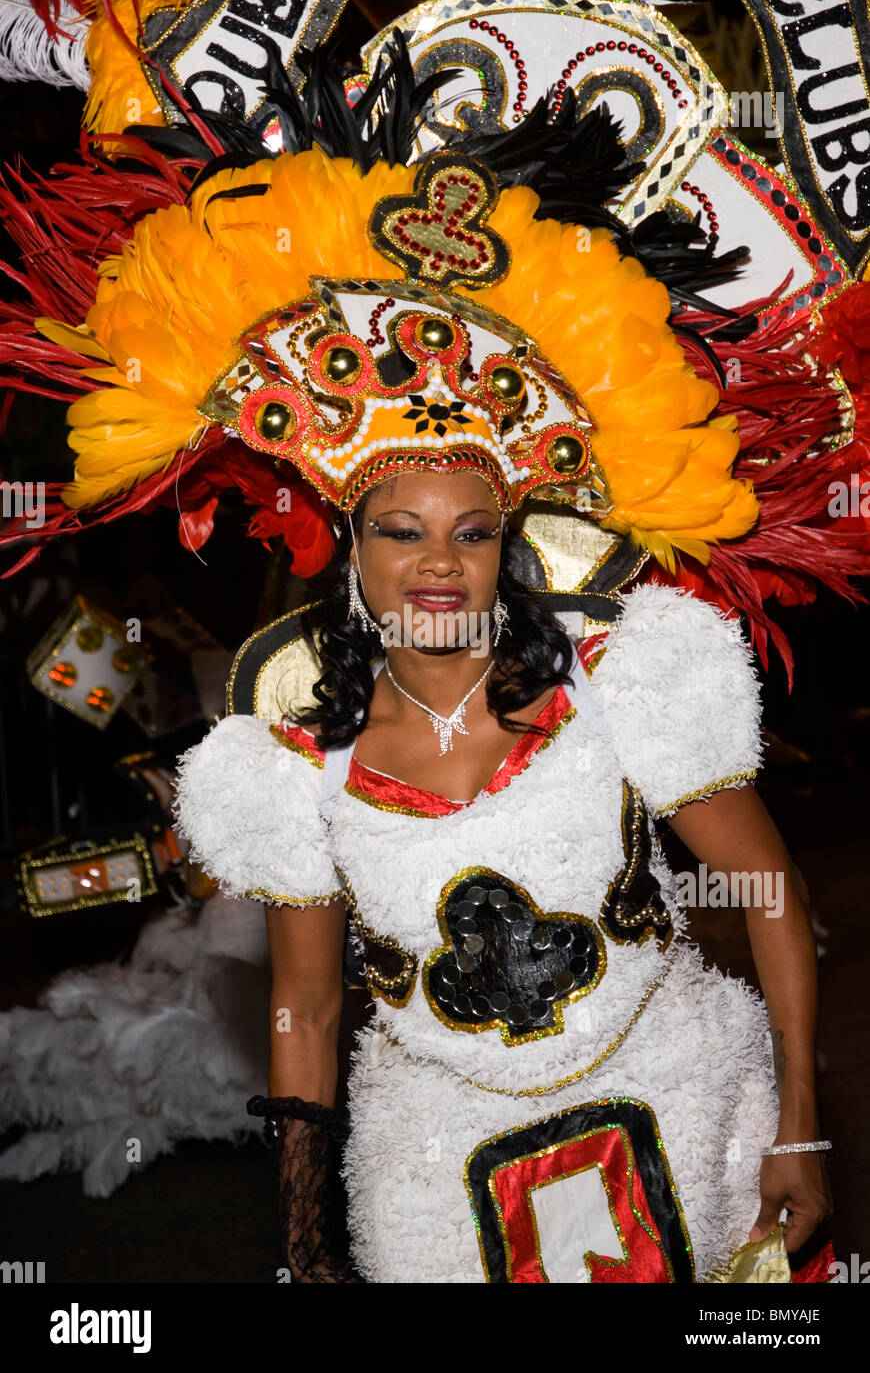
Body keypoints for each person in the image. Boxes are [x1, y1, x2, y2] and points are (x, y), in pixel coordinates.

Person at [174, 455, 832, 1284]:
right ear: (353, 548)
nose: (440, 561)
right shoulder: (299, 770)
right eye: (402, 532)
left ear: (504, 551)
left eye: (472, 533)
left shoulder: (617, 684)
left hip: (692, 1116)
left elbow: (772, 890)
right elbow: (303, 1010)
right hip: (438, 1179)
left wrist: (799, 1128)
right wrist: (304, 1244)